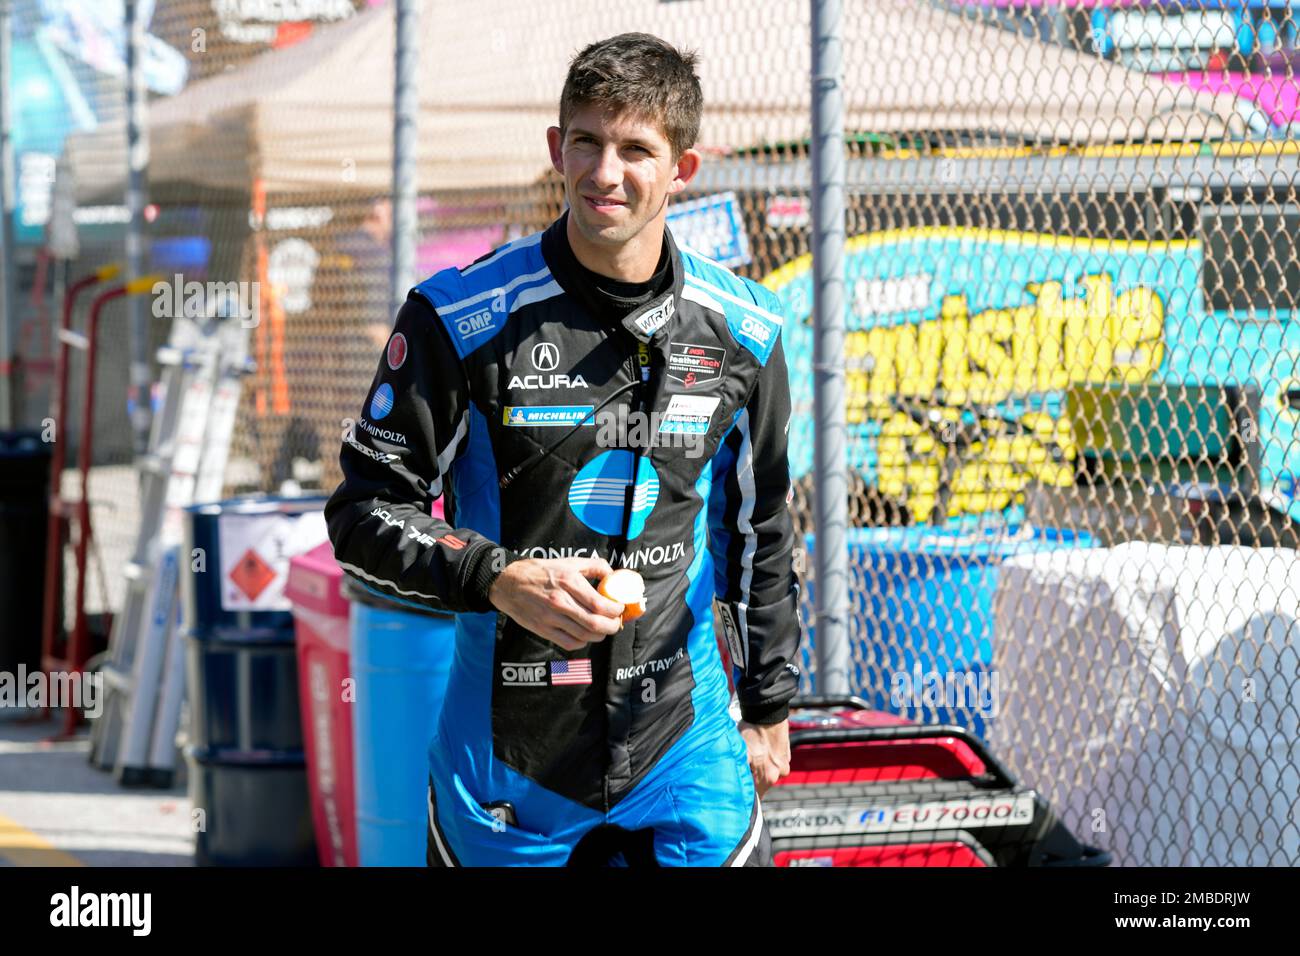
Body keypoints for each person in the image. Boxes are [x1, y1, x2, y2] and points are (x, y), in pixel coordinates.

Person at [325, 32, 801, 867]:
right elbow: (364, 513)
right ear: (557, 148)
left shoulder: (746, 329)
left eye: (636, 150)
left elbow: (759, 528)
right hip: (510, 764)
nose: (604, 173)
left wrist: (767, 702)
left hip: (684, 748)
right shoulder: (457, 317)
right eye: (586, 141)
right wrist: (494, 575)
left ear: (683, 170)